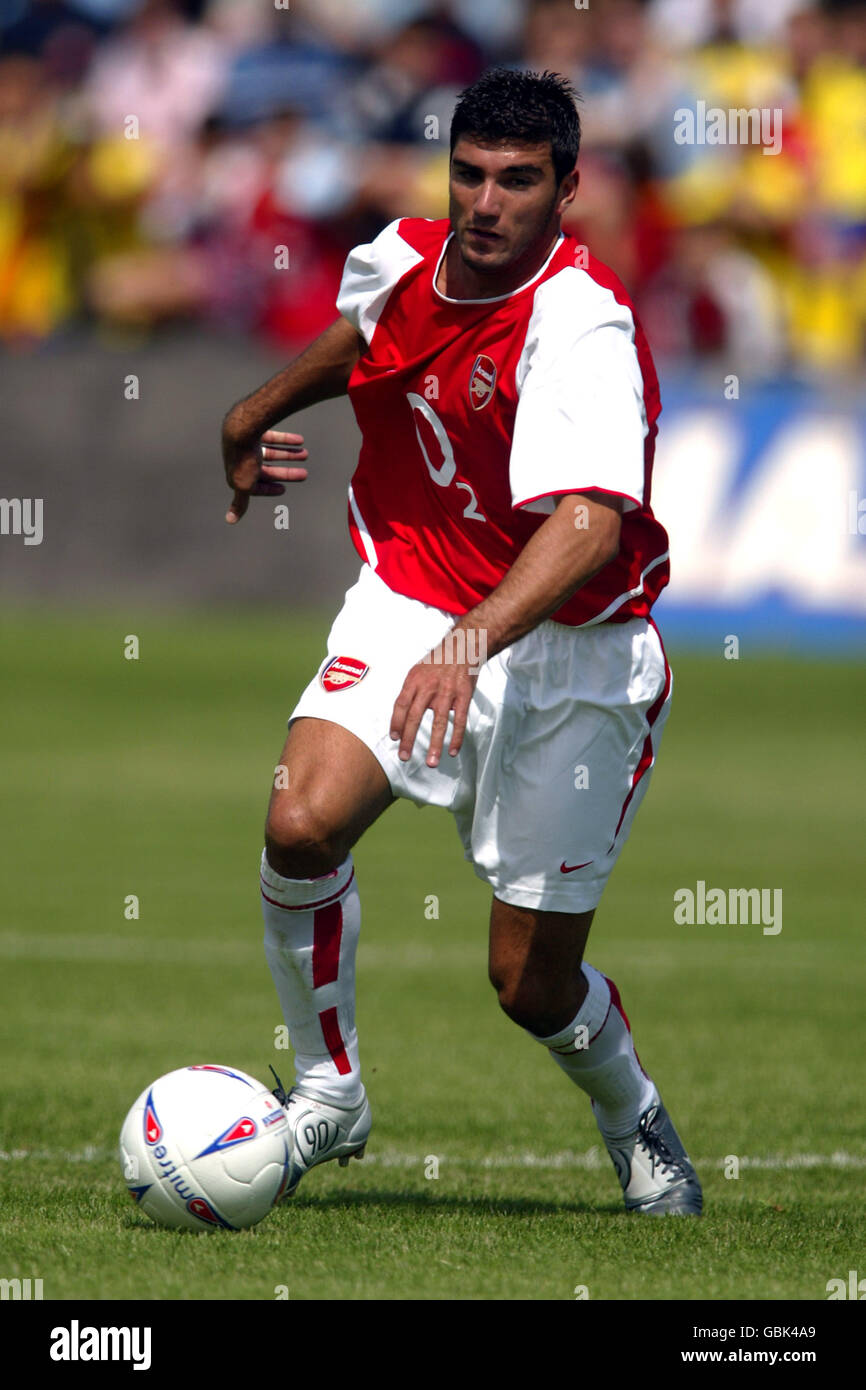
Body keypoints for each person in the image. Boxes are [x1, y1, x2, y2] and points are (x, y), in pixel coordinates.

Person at [221, 68, 701, 1216]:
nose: (487, 203)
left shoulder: (579, 321)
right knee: (299, 820)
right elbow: (369, 337)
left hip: (568, 655)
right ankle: (328, 1094)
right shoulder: (406, 253)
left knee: (527, 984)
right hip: (412, 599)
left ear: (567, 189)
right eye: (470, 175)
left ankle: (628, 1108)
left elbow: (586, 528)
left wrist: (474, 642)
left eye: (518, 182)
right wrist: (255, 410)